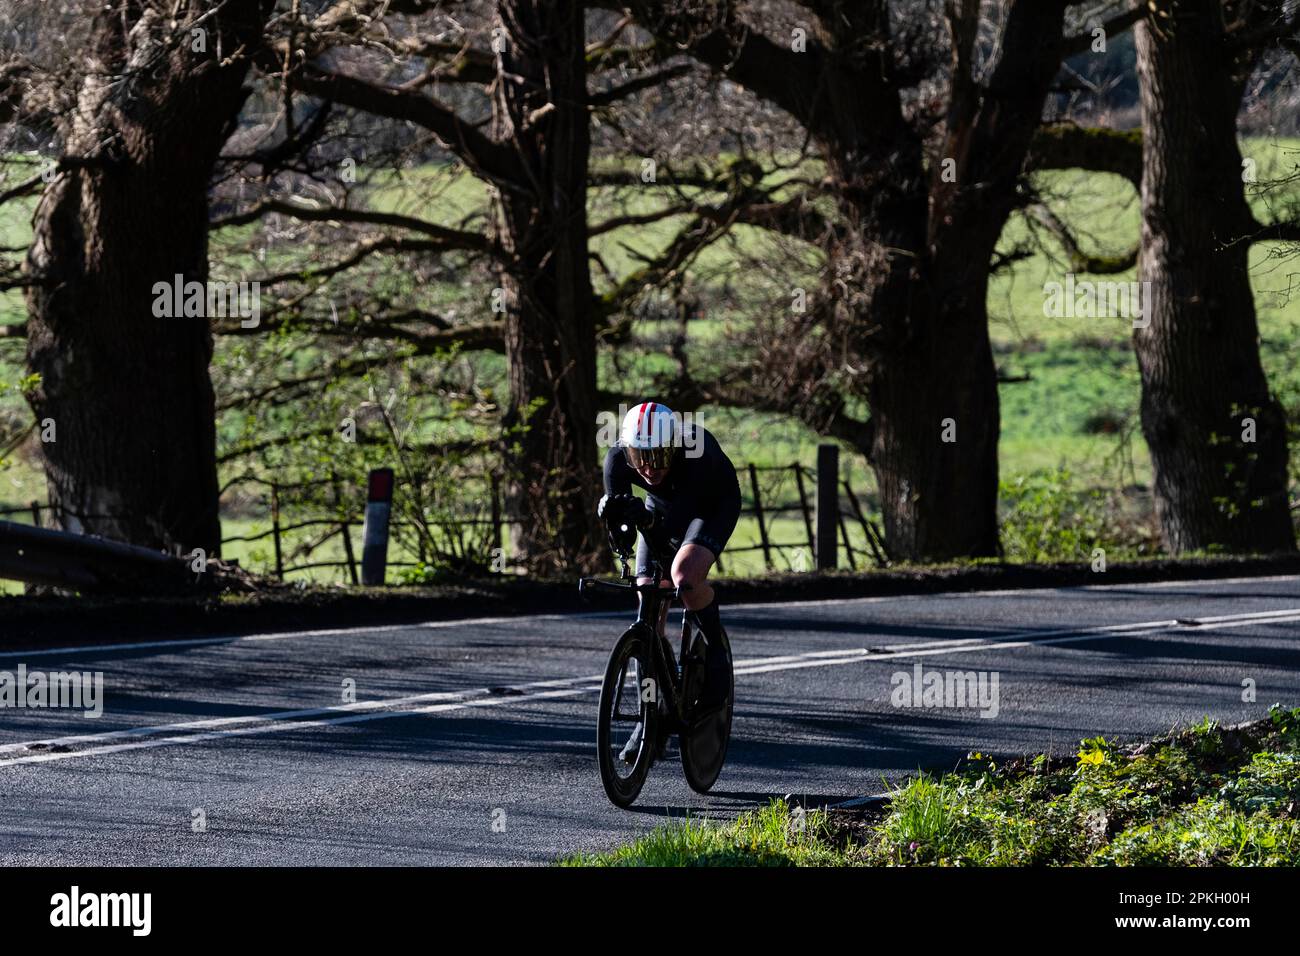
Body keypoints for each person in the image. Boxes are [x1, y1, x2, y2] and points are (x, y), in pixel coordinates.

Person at [597, 401, 741, 761]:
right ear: (627, 450)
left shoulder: (696, 454)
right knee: (648, 597)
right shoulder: (617, 460)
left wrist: (642, 522)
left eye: (658, 457)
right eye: (639, 456)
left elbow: (669, 535)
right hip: (661, 509)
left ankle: (717, 658)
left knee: (683, 575)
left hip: (710, 504)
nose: (647, 468)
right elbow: (627, 538)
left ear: (674, 447)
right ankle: (652, 716)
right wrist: (616, 522)